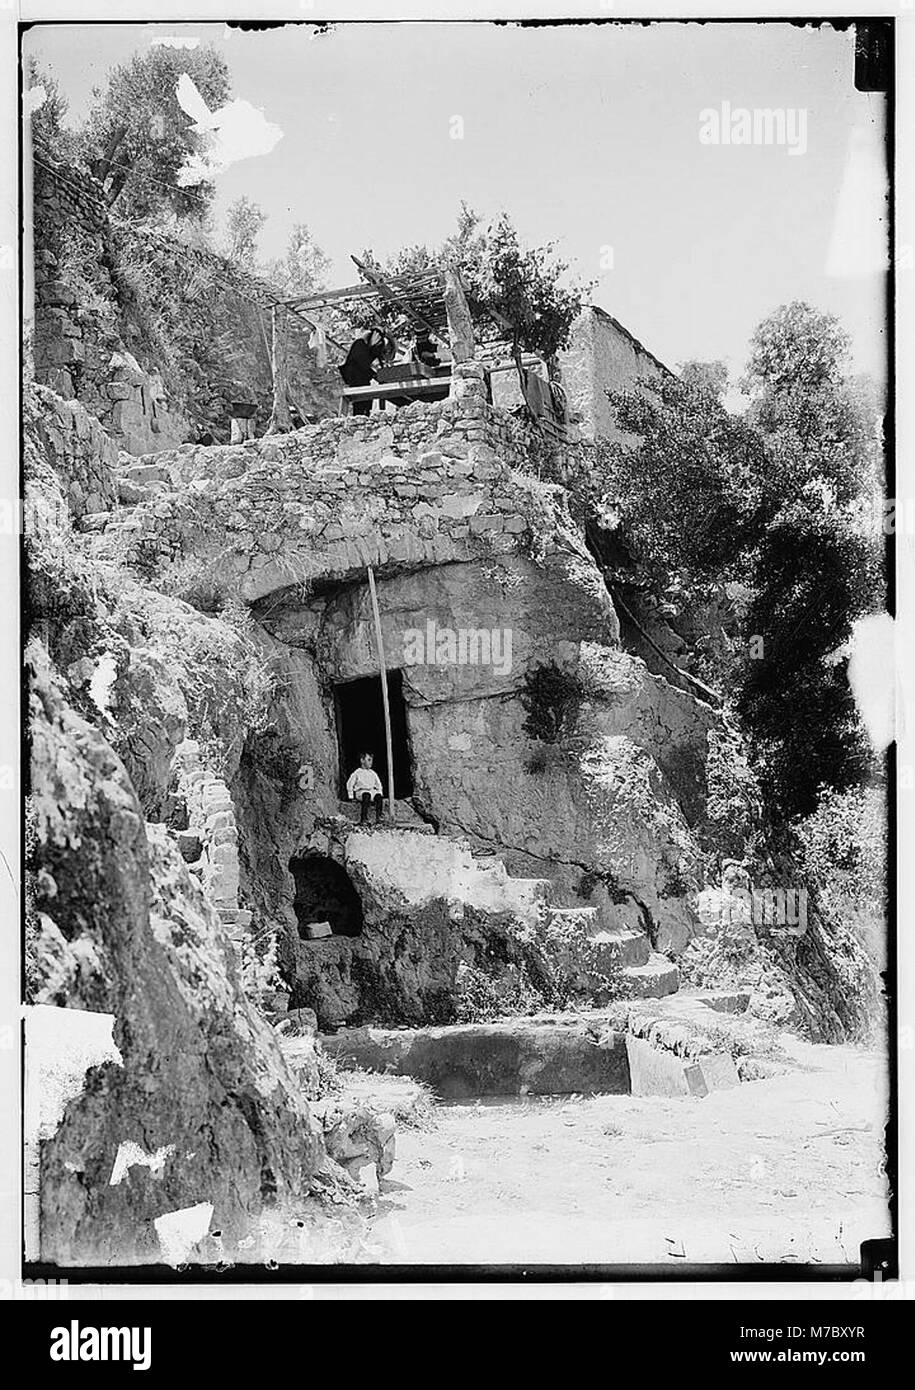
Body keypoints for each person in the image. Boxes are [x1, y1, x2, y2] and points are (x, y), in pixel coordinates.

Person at [339, 328, 389, 415]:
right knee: (360, 406)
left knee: (366, 403)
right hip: (355, 378)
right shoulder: (360, 344)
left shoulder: (372, 348)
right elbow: (363, 364)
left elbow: (378, 363)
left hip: (364, 380)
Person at [345, 751, 385, 824]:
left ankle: (379, 817)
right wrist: (351, 796)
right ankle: (364, 818)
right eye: (369, 760)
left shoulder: (373, 773)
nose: (371, 762)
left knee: (379, 797)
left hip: (371, 791)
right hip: (361, 792)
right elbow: (350, 784)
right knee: (366, 795)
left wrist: (379, 792)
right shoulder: (357, 773)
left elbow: (379, 784)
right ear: (362, 760)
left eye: (371, 760)